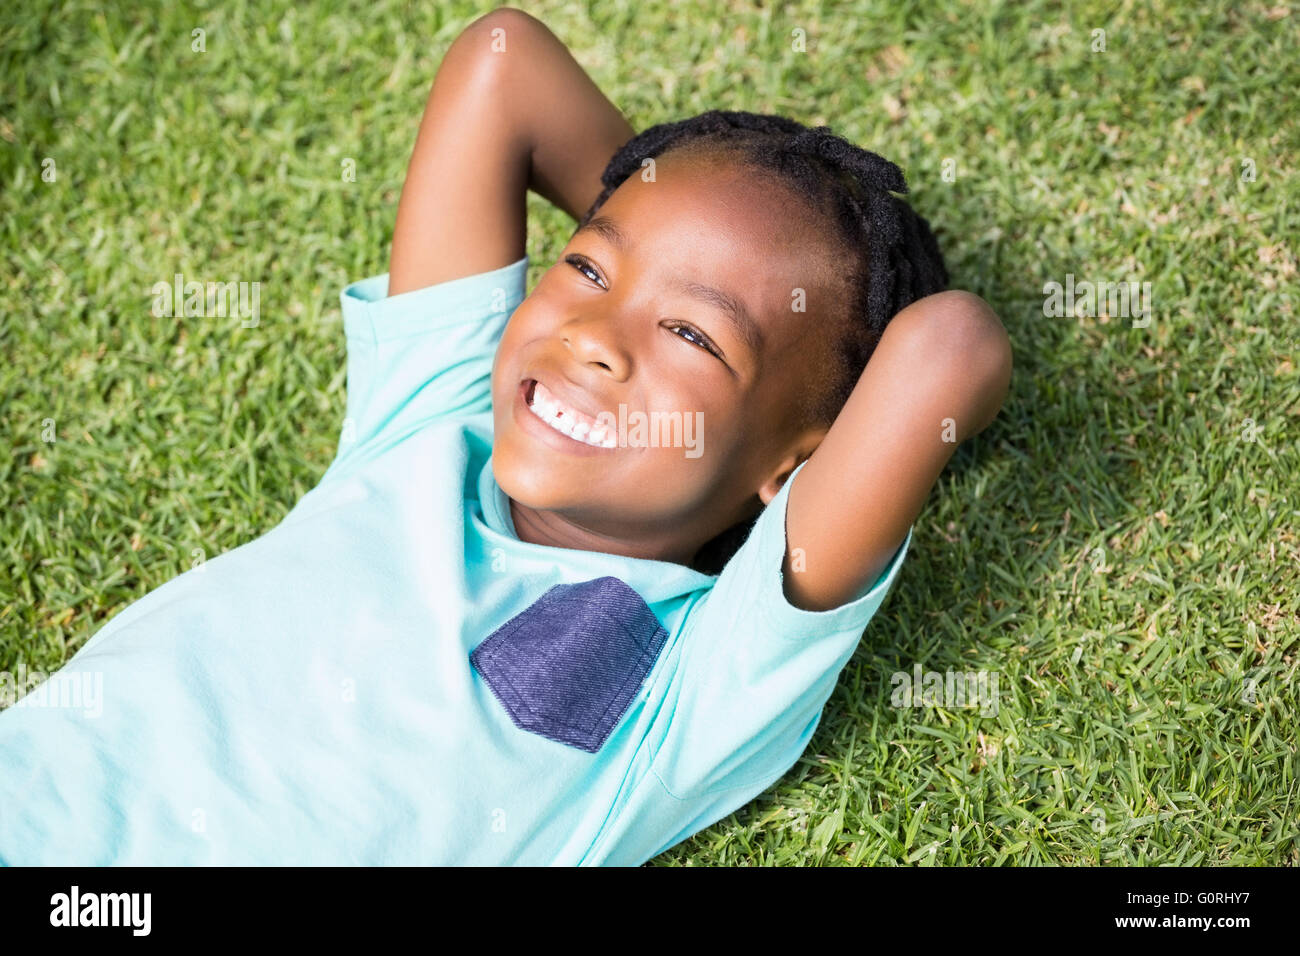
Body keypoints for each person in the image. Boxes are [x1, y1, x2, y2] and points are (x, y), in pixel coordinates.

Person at [0, 7, 1011, 865]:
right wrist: (673, 209)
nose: (593, 341)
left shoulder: (700, 674)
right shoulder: (430, 430)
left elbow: (946, 346)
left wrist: (814, 413)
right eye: (584, 269)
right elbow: (502, 61)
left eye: (692, 334)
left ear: (794, 465)